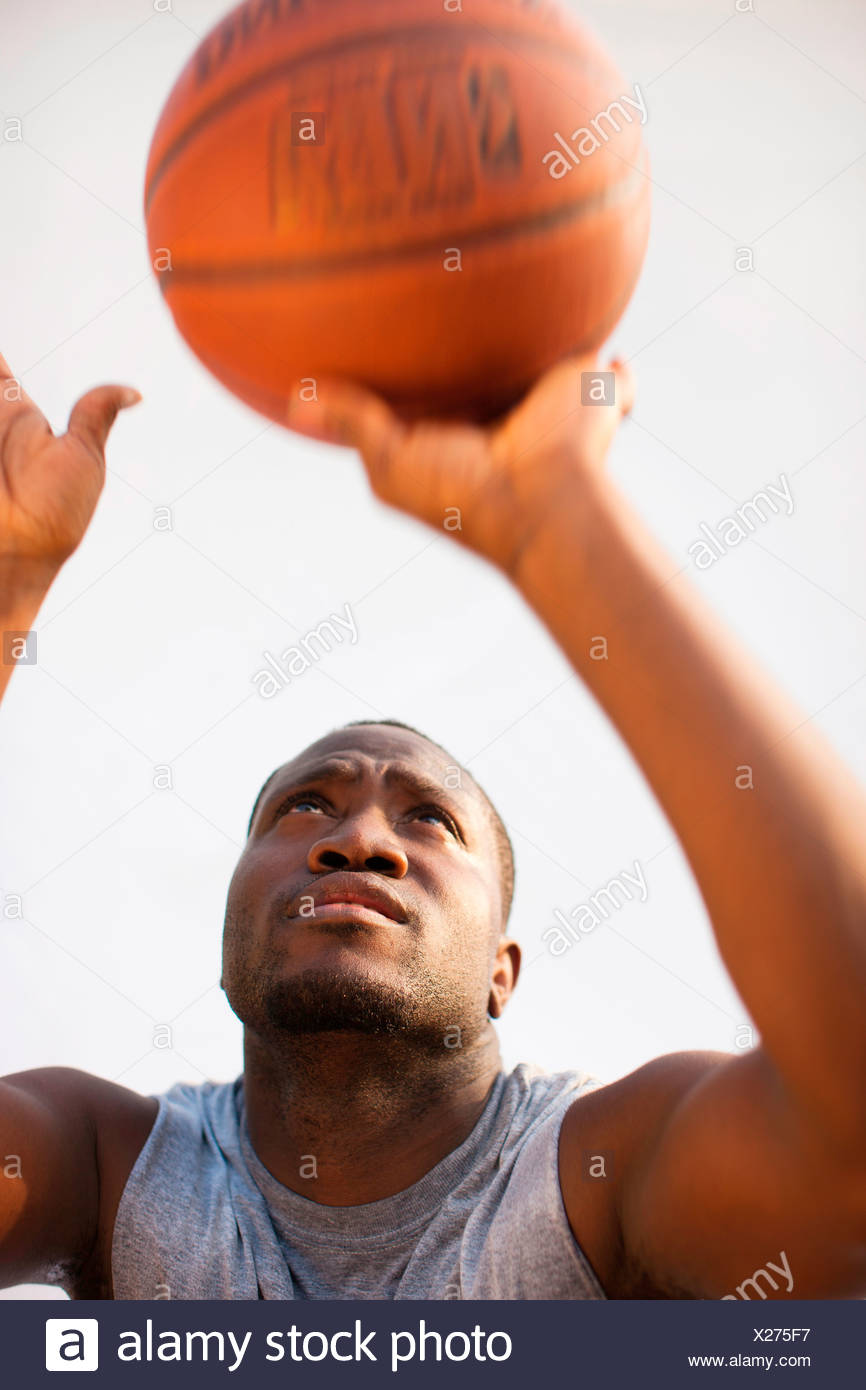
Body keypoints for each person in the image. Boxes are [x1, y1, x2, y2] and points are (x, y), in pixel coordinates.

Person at [1, 348, 865, 1302]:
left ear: (503, 968)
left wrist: (555, 518)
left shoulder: (601, 1174)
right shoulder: (106, 1164)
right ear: (227, 938)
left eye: (432, 821)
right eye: (306, 805)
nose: (360, 839)